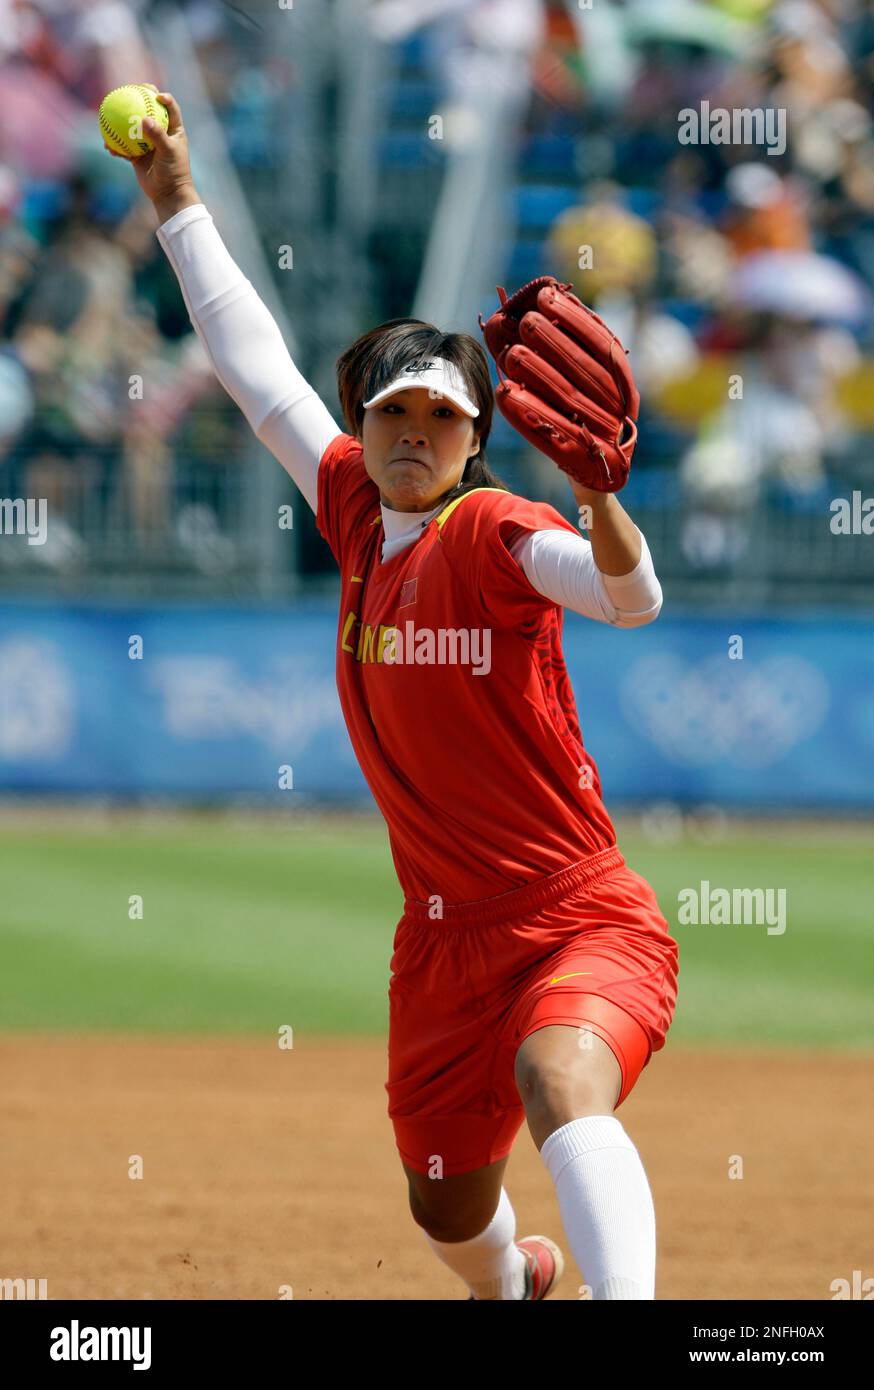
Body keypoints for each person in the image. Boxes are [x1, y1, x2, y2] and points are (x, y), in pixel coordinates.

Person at [108, 92, 679, 1302]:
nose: (412, 432)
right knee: (442, 1199)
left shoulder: (492, 530)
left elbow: (632, 604)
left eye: (439, 416)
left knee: (557, 1082)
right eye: (391, 411)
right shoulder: (357, 513)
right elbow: (255, 369)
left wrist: (601, 500)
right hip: (438, 944)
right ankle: (514, 1284)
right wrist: (175, 200)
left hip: (576, 913)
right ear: (364, 427)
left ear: (476, 441)